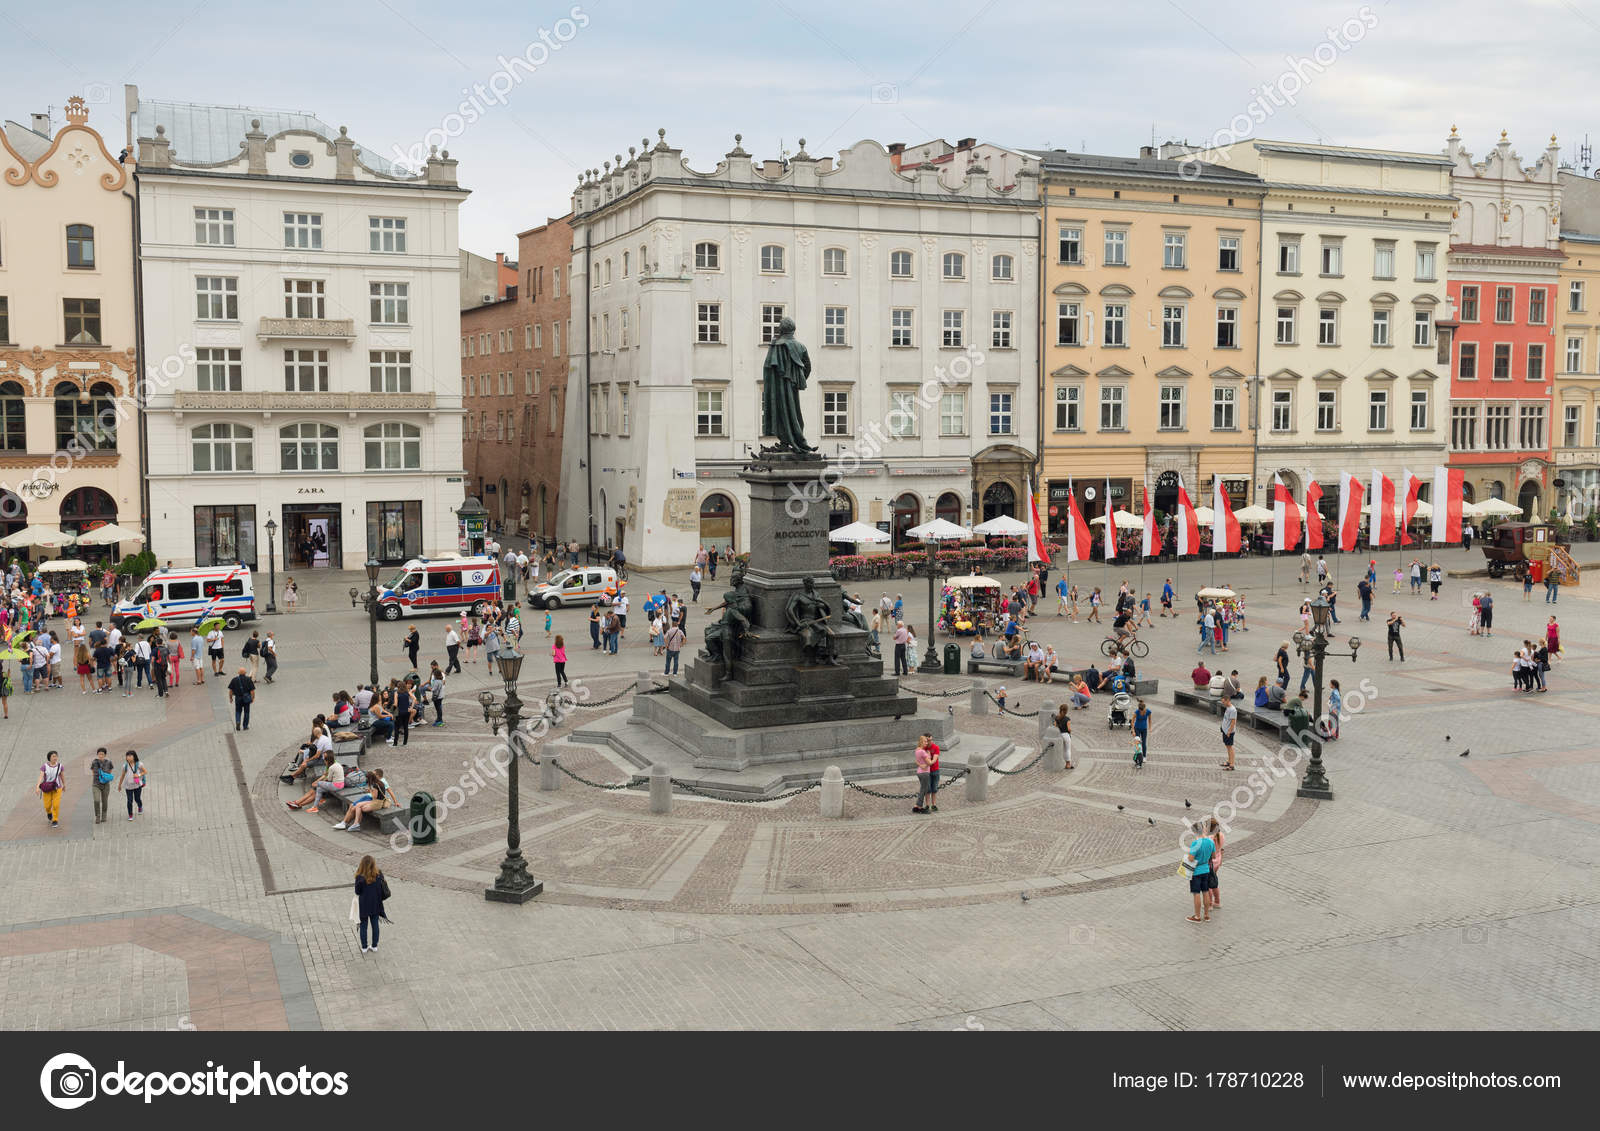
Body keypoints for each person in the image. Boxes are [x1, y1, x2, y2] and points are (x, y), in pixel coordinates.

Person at [354, 855, 390, 954]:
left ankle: (364, 947)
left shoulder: (359, 877)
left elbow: (357, 892)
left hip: (364, 906)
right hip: (376, 904)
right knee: (375, 926)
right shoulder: (379, 874)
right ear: (373, 864)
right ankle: (374, 946)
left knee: (363, 927)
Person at [1184, 821, 1215, 924]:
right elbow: (1213, 856)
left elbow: (1191, 858)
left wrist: (1189, 855)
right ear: (1203, 829)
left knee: (1196, 893)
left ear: (1194, 832)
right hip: (1206, 869)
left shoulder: (1195, 844)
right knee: (1205, 892)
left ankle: (1197, 916)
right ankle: (1206, 915)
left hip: (1196, 872)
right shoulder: (1211, 842)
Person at [38, 749, 66, 828]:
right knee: (47, 806)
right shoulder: (44, 766)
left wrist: (64, 785)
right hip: (46, 788)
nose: (55, 758)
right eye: (53, 756)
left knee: (56, 805)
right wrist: (37, 787)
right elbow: (40, 777)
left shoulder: (60, 766)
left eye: (56, 756)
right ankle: (49, 812)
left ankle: (55, 820)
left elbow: (62, 776)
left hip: (57, 788)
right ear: (49, 757)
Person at [116, 749, 146, 820]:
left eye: (130, 756)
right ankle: (130, 814)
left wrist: (138, 775)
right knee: (129, 800)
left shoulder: (139, 764)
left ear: (134, 756)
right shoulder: (125, 766)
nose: (128, 757)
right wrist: (119, 785)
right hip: (128, 786)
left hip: (137, 785)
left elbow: (145, 771)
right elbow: (122, 775)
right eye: (127, 756)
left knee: (137, 798)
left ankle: (140, 806)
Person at [89, 745, 115, 824]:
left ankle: (104, 814)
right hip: (96, 784)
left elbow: (110, 771)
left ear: (105, 755)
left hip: (106, 785)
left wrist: (104, 777)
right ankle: (97, 816)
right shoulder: (94, 762)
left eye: (102, 754)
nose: (100, 756)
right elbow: (93, 771)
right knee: (96, 800)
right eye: (99, 754)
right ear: (97, 755)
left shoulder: (109, 762)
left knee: (105, 800)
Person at [227, 667, 255, 731]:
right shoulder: (248, 679)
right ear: (245, 673)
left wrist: (230, 698)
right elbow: (252, 691)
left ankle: (238, 721)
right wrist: (252, 698)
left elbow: (230, 691)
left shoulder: (234, 680)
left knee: (238, 711)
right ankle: (245, 726)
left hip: (238, 698)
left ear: (238, 673)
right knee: (246, 712)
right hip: (246, 698)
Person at [1205, 817, 1225, 911]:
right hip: (1217, 861)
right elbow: (1221, 849)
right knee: (1214, 881)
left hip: (1210, 863)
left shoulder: (1209, 838)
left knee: (1207, 884)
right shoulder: (1221, 835)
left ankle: (1209, 904)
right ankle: (1217, 901)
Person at [912, 735, 934, 814]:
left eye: (927, 741)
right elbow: (930, 762)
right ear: (921, 742)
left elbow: (917, 761)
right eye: (925, 741)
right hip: (924, 773)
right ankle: (919, 807)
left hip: (920, 772)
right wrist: (930, 757)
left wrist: (921, 765)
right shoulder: (922, 751)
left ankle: (916, 806)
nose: (926, 743)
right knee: (923, 790)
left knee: (924, 789)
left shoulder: (917, 750)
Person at [1052, 703, 1074, 770]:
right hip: (1066, 735)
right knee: (1067, 749)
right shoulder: (1067, 719)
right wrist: (1070, 731)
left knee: (1059, 750)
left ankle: (1057, 762)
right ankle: (1068, 764)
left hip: (1059, 735)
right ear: (1066, 711)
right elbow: (1069, 729)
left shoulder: (1057, 718)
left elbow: (1055, 726)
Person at [1220, 698, 1237, 770]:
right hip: (1225, 730)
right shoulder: (1228, 707)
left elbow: (1233, 722)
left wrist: (1229, 731)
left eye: (1224, 702)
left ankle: (1232, 765)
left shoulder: (1233, 710)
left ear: (1227, 700)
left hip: (1229, 732)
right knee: (1227, 746)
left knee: (1230, 747)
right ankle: (1229, 761)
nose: (1223, 703)